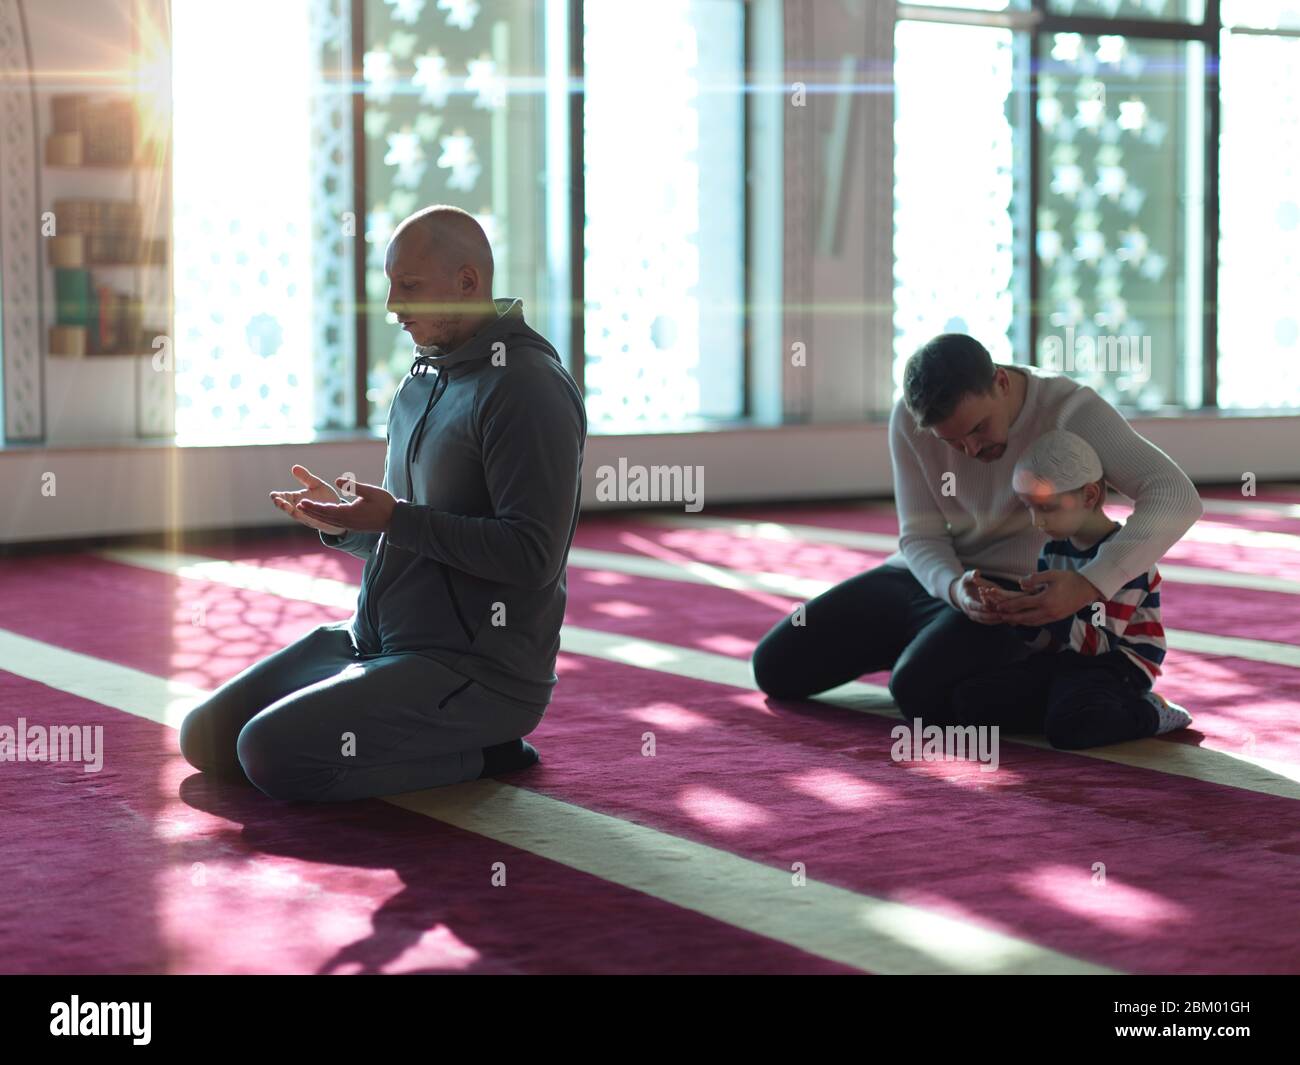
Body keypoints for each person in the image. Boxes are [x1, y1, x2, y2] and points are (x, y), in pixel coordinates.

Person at [179, 205, 587, 802]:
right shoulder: (423, 378)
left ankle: (488, 752)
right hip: (374, 641)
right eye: (391, 285)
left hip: (472, 673)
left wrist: (395, 517)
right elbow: (419, 534)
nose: (393, 306)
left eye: (410, 287)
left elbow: (532, 557)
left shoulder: (525, 387)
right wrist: (349, 526)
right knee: (205, 739)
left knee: (268, 755)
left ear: (468, 282)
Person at [750, 333, 1203, 727]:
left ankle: (1111, 697)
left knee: (918, 696)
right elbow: (920, 536)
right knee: (776, 669)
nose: (969, 450)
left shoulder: (1069, 409)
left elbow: (1175, 494)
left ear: (1001, 383)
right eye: (952, 441)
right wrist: (952, 588)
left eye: (978, 428)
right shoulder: (910, 420)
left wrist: (1088, 584)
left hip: (1017, 594)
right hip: (938, 580)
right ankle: (934, 644)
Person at [949, 429, 1192, 749]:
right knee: (970, 703)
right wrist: (1016, 615)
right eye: (1029, 507)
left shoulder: (1129, 558)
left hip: (1119, 665)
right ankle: (1064, 706)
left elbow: (1099, 644)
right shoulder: (1053, 551)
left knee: (1072, 727)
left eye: (1047, 508)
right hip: (1070, 658)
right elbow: (1050, 642)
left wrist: (1043, 613)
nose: (1036, 521)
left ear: (1089, 496)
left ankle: (1151, 712)